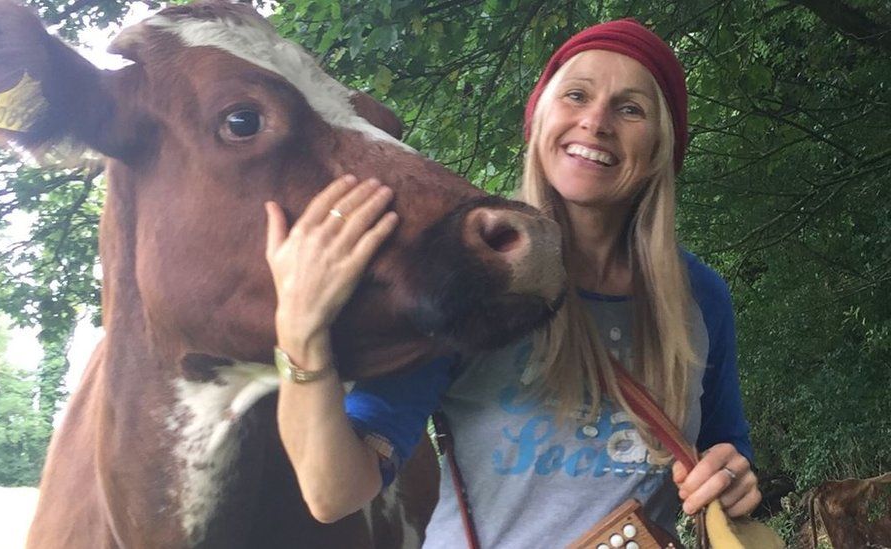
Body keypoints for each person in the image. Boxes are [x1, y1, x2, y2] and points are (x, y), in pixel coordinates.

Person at [264, 18, 762, 547]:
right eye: (576, 95)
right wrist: (300, 333)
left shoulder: (701, 298)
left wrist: (731, 478)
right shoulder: (474, 273)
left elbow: (724, 447)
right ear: (539, 116)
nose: (595, 121)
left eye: (630, 108)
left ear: (663, 144)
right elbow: (334, 492)